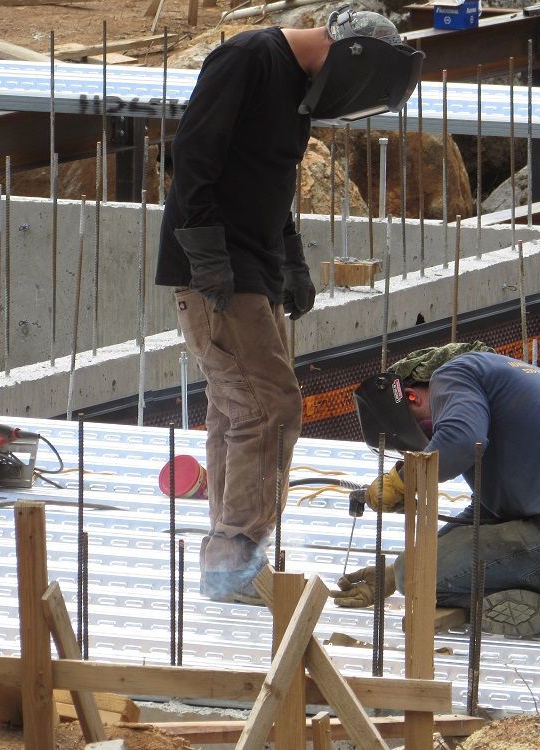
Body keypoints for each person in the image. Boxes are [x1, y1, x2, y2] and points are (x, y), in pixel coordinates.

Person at [155, 6, 421, 604]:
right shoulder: (249, 57)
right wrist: (205, 254)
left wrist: (292, 258)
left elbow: (269, 184)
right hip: (220, 267)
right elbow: (193, 156)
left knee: (237, 407)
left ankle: (229, 555)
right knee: (269, 409)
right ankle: (236, 558)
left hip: (254, 263)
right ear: (345, 55)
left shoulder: (296, 88)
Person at [337, 343, 540, 638]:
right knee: (411, 570)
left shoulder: (452, 376)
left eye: (423, 437)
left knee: (415, 577)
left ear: (412, 397)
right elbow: (488, 513)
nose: (427, 447)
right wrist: (395, 572)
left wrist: (402, 481)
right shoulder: (494, 386)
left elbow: (459, 441)